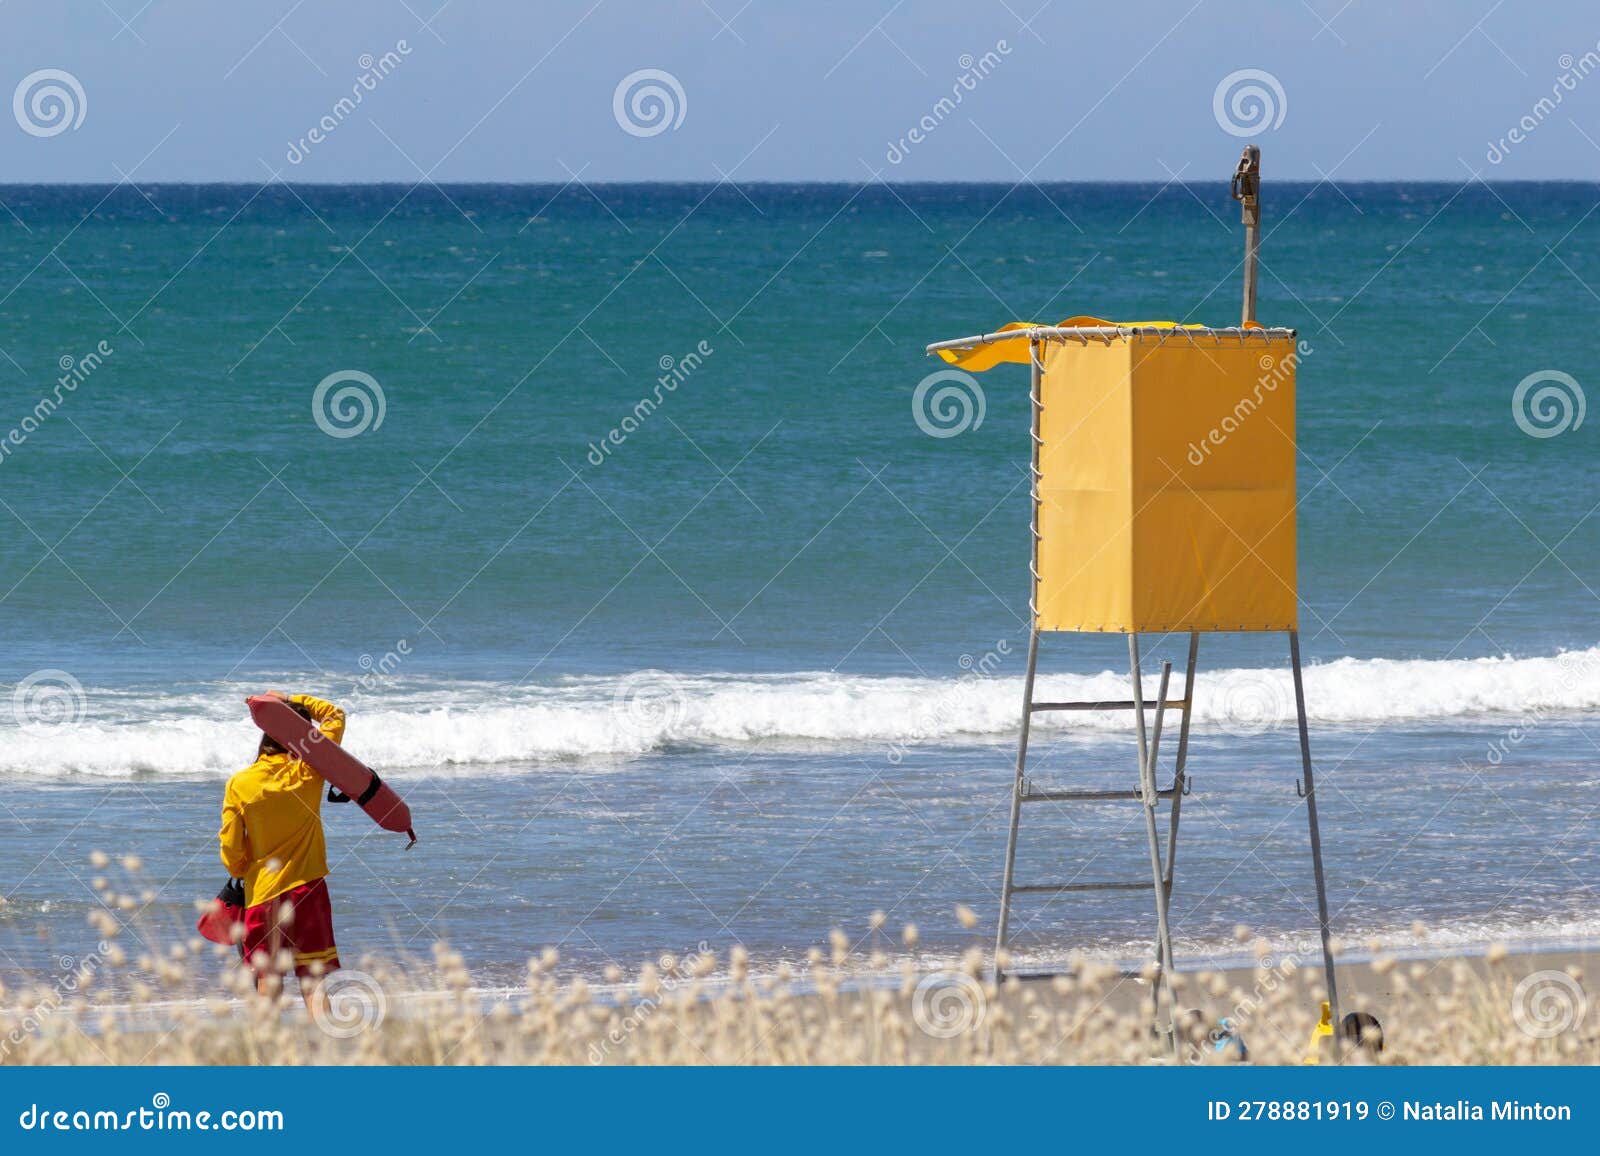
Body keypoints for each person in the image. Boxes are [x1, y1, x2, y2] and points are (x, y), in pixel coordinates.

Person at [219, 690, 345, 1012]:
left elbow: (232, 851)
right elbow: (335, 715)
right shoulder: (309, 772)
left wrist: (244, 870)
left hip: (264, 895)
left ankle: (267, 1056)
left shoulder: (240, 783)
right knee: (313, 982)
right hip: (308, 891)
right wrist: (288, 699)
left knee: (268, 983)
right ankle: (330, 1057)